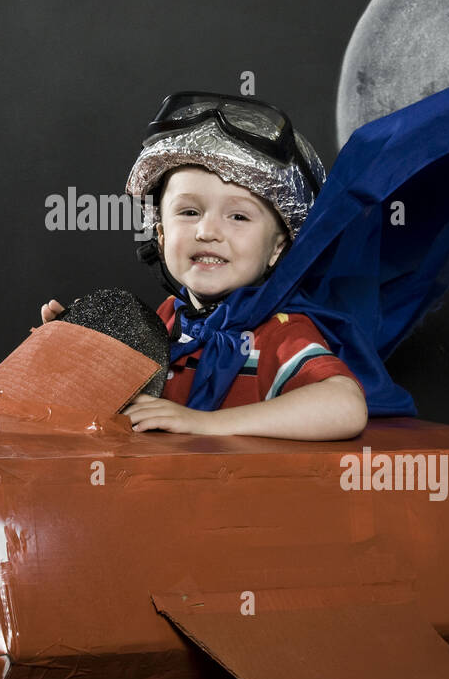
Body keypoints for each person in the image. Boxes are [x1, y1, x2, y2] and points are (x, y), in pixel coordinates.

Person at [41, 92, 368, 440]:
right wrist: (76, 353)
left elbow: (346, 407)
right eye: (189, 212)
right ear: (161, 234)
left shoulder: (280, 334)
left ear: (277, 248)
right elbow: (119, 408)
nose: (208, 231)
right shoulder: (162, 322)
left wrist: (205, 423)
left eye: (238, 216)